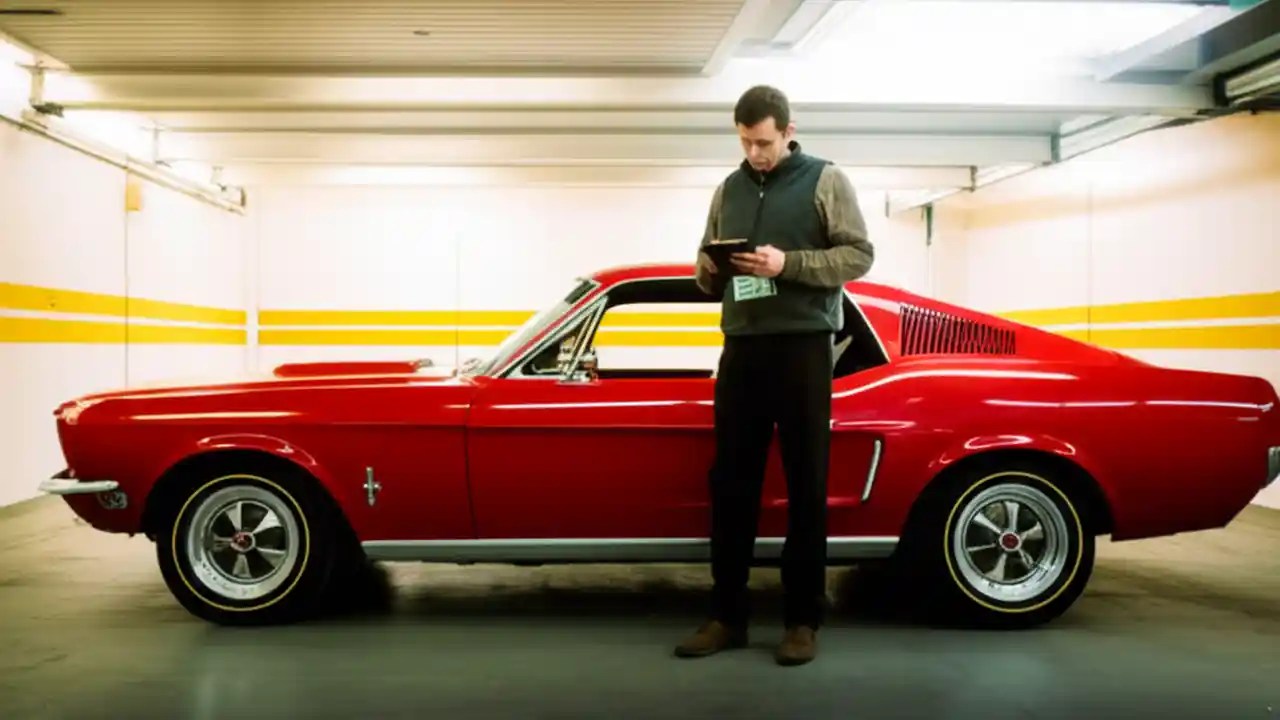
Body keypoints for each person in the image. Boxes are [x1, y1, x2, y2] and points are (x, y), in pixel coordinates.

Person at [674, 85, 874, 666]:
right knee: (731, 485)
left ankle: (802, 619)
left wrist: (788, 264)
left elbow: (858, 255)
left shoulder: (825, 180)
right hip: (742, 349)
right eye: (745, 142)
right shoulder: (727, 189)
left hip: (804, 348)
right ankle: (726, 616)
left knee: (806, 485)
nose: (755, 153)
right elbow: (702, 275)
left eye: (763, 142)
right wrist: (709, 269)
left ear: (788, 131)